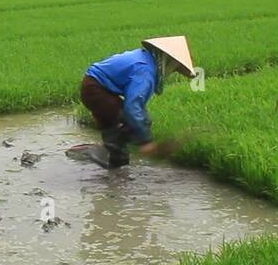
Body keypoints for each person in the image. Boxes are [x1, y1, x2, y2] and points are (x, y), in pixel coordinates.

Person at [79, 36, 195, 168]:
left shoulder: (145, 58)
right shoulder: (146, 71)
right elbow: (133, 106)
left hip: (97, 88)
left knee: (126, 142)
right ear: (167, 61)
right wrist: (146, 141)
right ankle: (103, 152)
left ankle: (114, 168)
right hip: (96, 90)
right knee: (132, 120)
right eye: (174, 68)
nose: (172, 72)